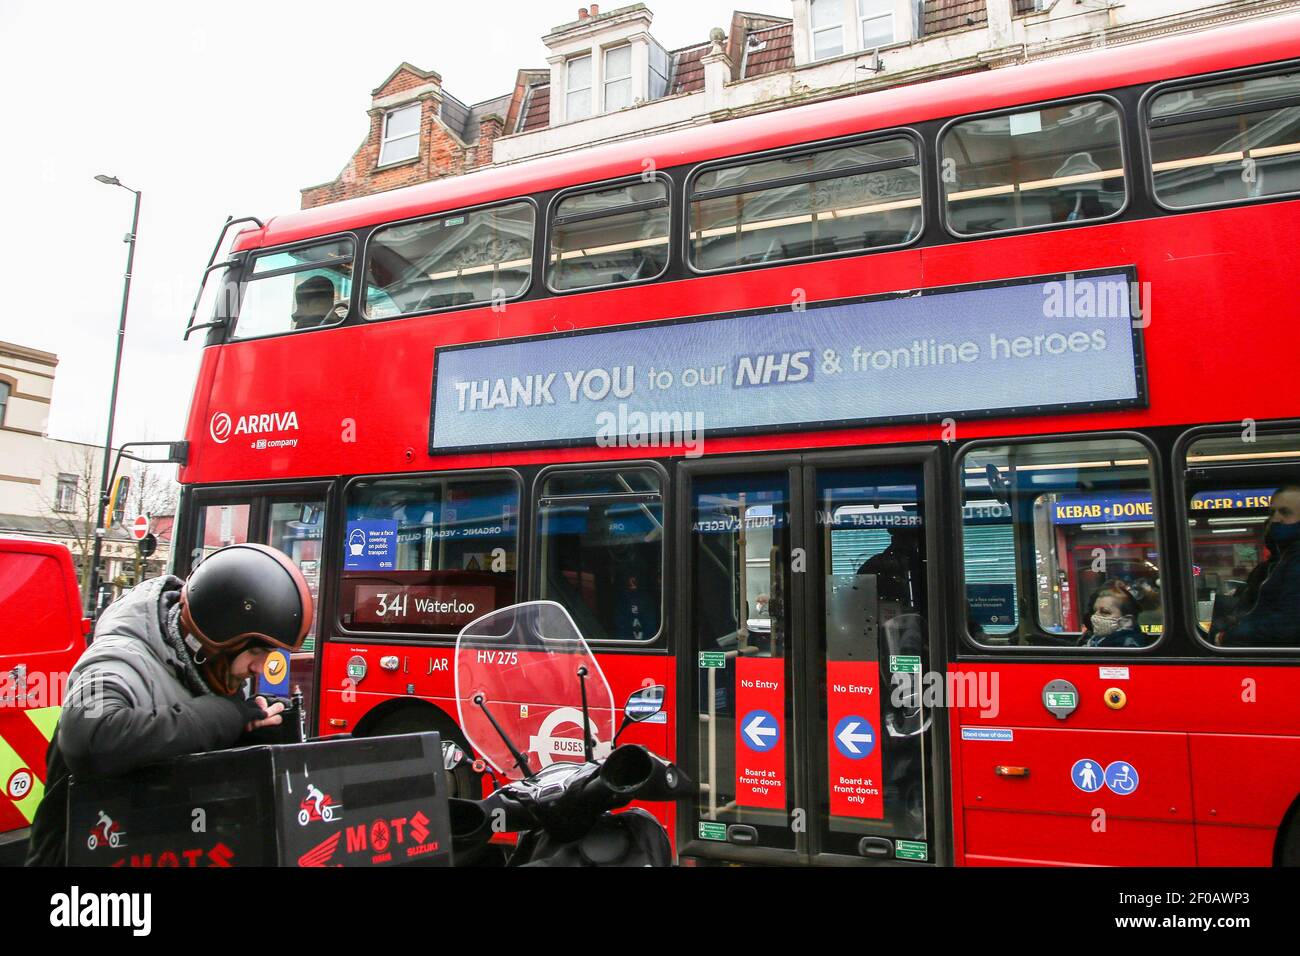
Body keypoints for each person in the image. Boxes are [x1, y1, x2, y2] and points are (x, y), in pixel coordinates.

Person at [25, 543, 313, 866]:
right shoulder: (111, 658)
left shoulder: (203, 668)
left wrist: (245, 733)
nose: (260, 668)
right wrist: (223, 716)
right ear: (217, 638)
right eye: (256, 653)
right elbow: (87, 737)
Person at [1216, 484, 1300, 646]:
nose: (1275, 519)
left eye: (1285, 512)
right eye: (1272, 513)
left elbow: (1288, 625)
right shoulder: (1286, 557)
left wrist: (1226, 637)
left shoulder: (1295, 560)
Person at [1079, 580, 1145, 648]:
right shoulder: (1097, 638)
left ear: (1126, 621)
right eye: (1095, 610)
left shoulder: (1125, 645)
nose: (1095, 616)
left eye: (1105, 612)